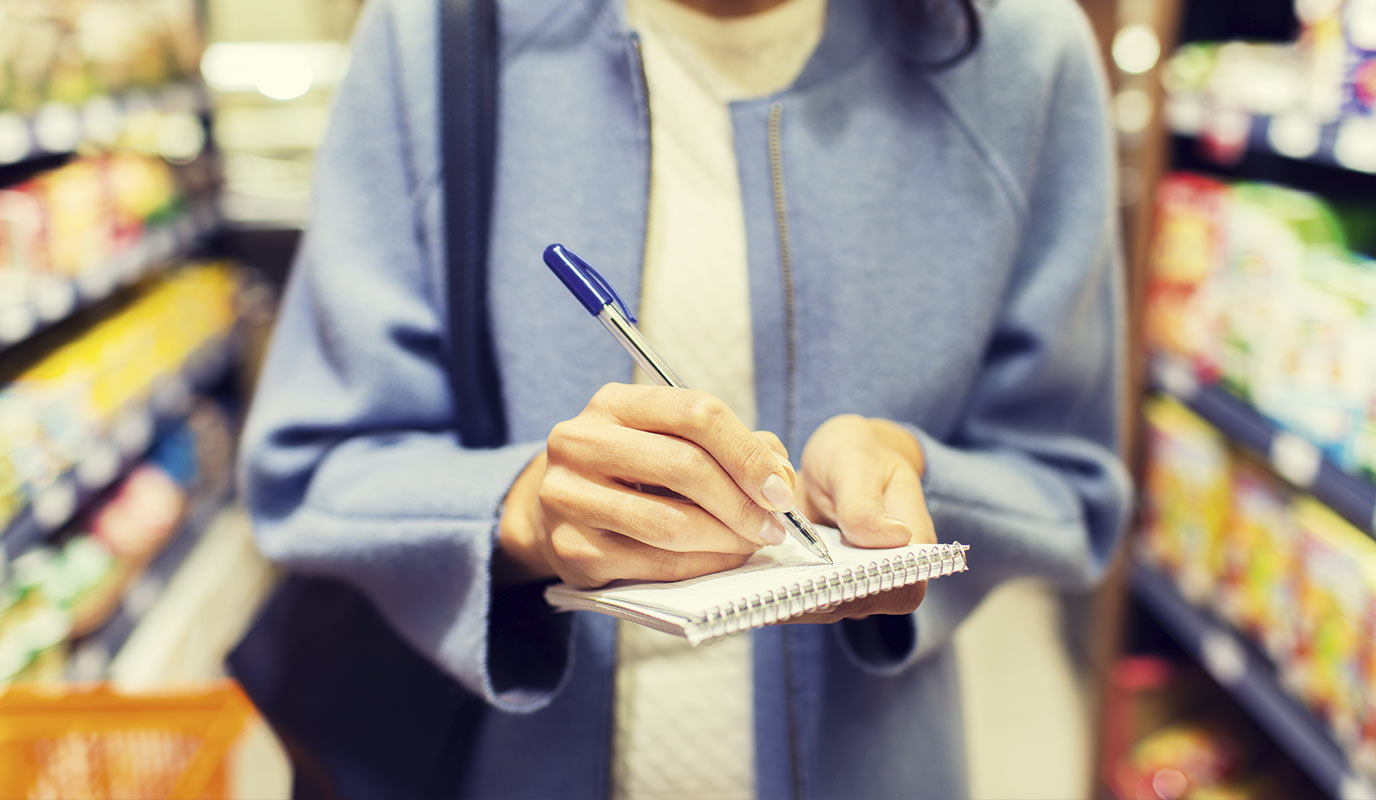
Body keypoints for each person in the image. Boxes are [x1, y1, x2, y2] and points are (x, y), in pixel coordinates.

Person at [238, 0, 1133, 796]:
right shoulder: (434, 34)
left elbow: (1069, 477)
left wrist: (911, 486)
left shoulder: (1023, 54)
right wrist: (524, 516)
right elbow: (311, 466)